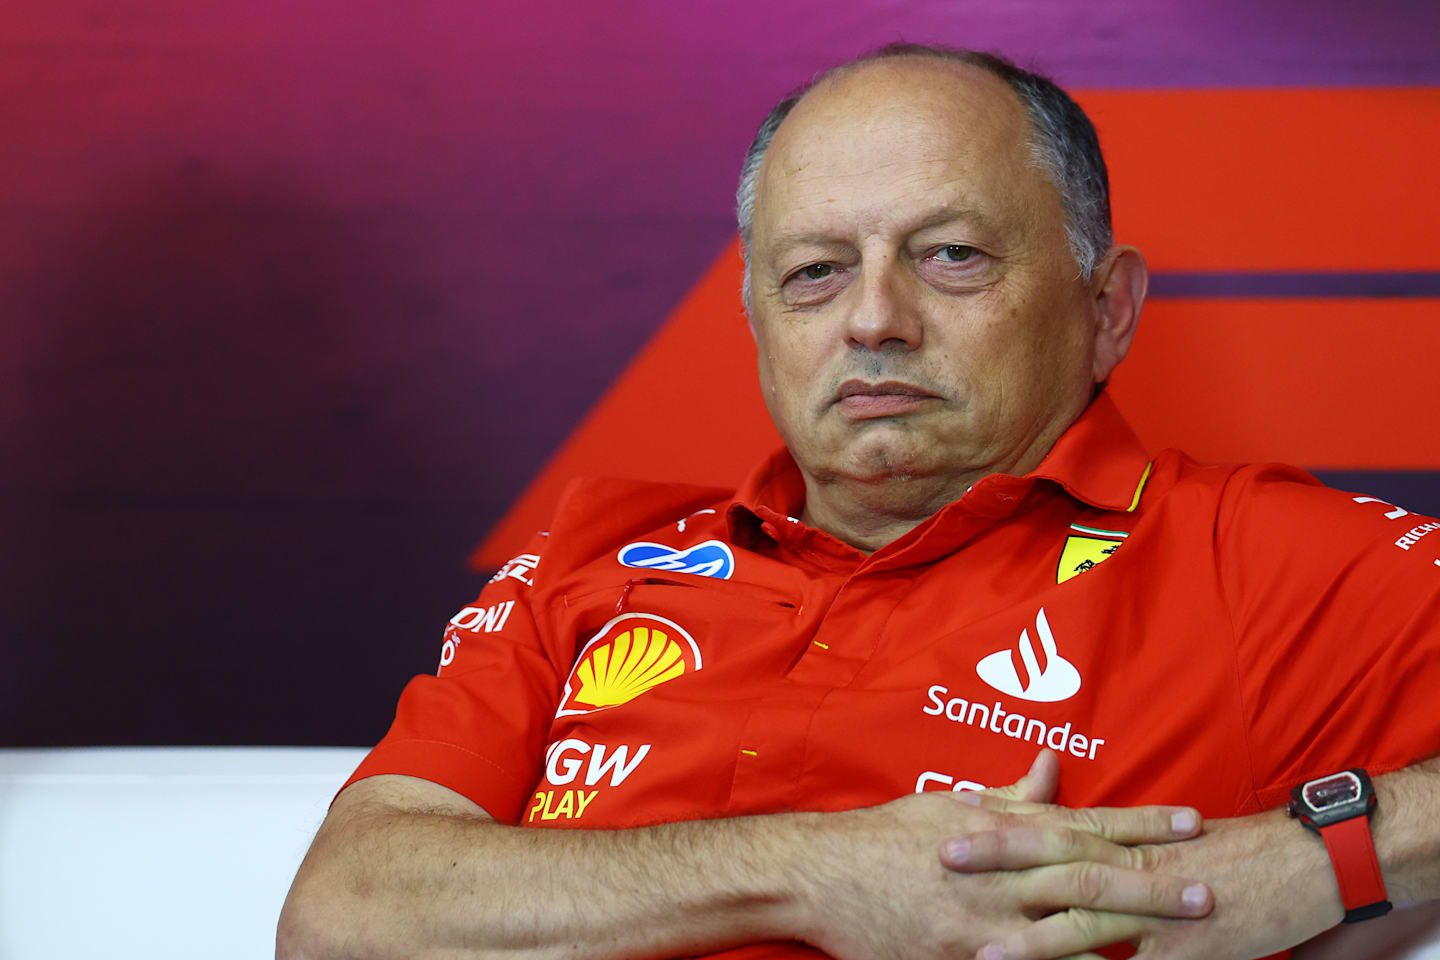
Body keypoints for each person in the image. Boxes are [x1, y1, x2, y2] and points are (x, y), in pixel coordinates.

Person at [277, 44, 1440, 960]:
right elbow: (346, 916)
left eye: (950, 256)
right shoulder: (597, 555)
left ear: (1107, 308)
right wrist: (826, 873)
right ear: (757, 320)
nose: (873, 320)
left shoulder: (1252, 561)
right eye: (815, 271)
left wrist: (1303, 862)